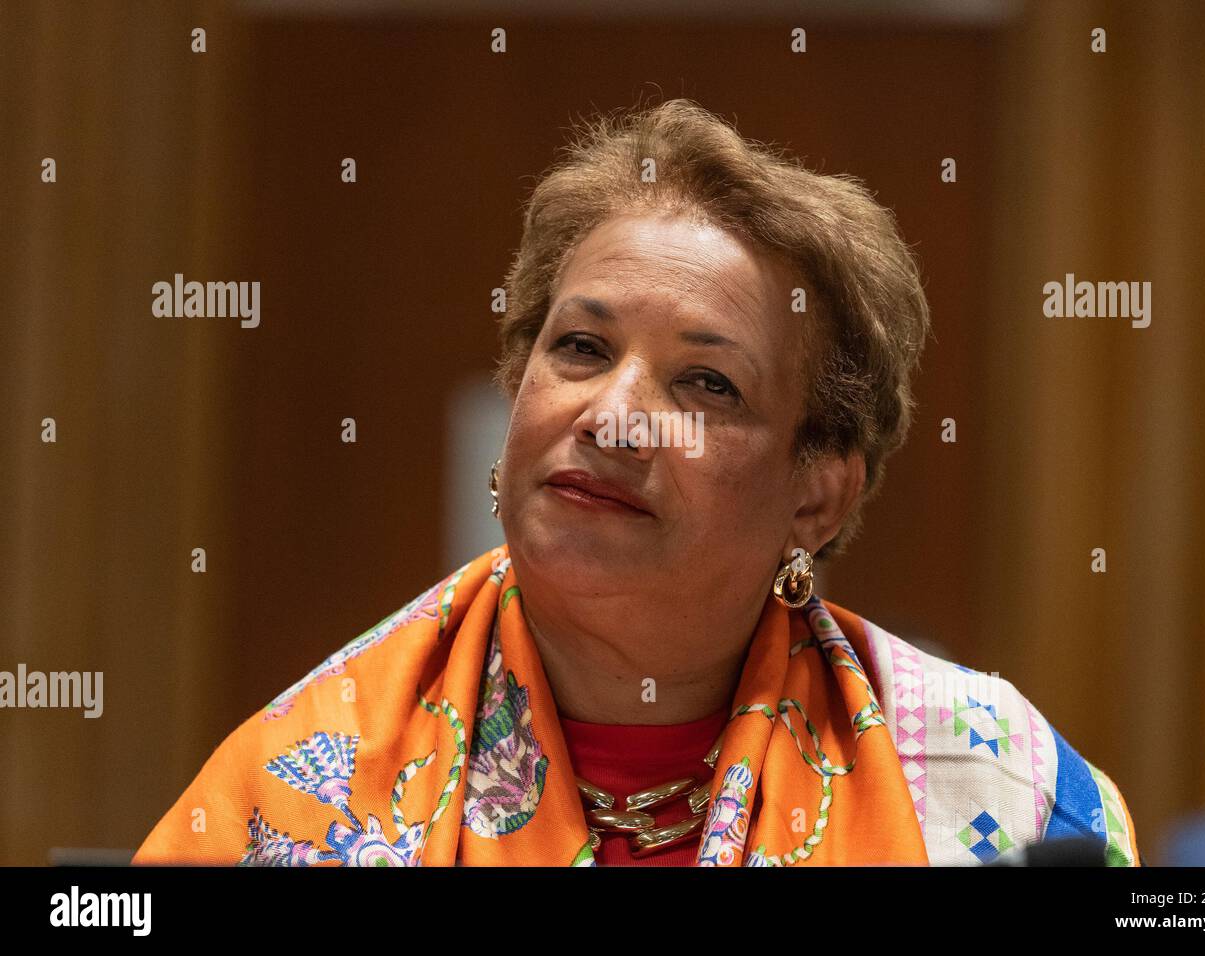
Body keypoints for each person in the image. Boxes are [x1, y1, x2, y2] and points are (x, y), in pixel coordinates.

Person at [133, 99, 1139, 867]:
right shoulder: (293, 790)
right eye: (579, 346)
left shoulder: (1005, 794)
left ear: (817, 493)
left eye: (706, 381)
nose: (610, 415)